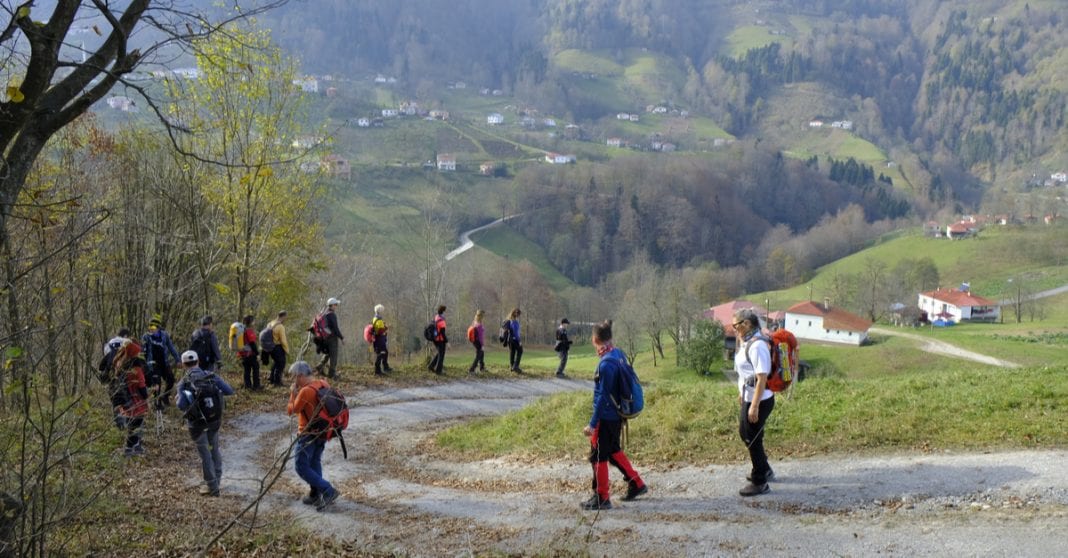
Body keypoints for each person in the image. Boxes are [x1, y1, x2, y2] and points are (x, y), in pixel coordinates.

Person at [581, 320, 647, 510]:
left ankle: (601, 497)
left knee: (598, 456)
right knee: (612, 451)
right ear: (610, 338)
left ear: (594, 340)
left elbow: (602, 397)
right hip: (618, 414)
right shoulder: (618, 354)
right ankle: (636, 483)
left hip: (606, 417)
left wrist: (592, 424)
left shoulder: (604, 365)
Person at [176, 350, 235, 497]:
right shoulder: (211, 376)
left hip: (197, 425)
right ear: (198, 362)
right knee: (214, 449)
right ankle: (217, 480)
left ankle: (213, 487)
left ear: (183, 365)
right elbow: (229, 391)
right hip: (214, 420)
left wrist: (178, 397)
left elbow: (181, 405)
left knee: (205, 454)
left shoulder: (184, 382)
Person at [286, 361, 340, 511]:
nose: (293, 381)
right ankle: (316, 493)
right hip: (322, 432)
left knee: (301, 466)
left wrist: (292, 394)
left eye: (294, 377)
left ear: (301, 376)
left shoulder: (305, 391)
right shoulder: (323, 383)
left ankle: (328, 490)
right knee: (315, 462)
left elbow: (292, 410)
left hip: (308, 434)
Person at [733, 308, 775, 497]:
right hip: (749, 396)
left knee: (752, 438)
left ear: (747, 324)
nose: (734, 330)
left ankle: (760, 481)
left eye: (736, 326)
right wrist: (741, 391)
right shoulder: (748, 341)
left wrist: (755, 406)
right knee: (747, 434)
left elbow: (761, 378)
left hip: (760, 399)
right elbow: (746, 372)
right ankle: (764, 469)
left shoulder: (757, 345)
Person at [111, 339, 149, 457]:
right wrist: (146, 397)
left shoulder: (120, 363)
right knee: (136, 425)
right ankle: (129, 449)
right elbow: (141, 385)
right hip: (135, 399)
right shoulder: (136, 368)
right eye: (137, 352)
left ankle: (134, 447)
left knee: (131, 424)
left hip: (125, 399)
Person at [141, 315, 180, 409]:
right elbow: (142, 351)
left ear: (158, 328)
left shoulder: (164, 335)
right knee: (157, 383)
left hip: (164, 362)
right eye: (149, 327)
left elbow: (171, 347)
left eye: (153, 327)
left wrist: (178, 359)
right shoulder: (146, 337)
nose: (151, 329)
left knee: (171, 379)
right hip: (153, 364)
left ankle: (165, 397)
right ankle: (157, 403)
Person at [315, 298, 344, 378]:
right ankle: (332, 373)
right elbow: (335, 328)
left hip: (325, 337)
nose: (336, 306)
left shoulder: (325, 313)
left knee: (328, 353)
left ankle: (320, 366)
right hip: (332, 338)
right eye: (336, 305)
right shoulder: (332, 315)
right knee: (334, 355)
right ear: (332, 305)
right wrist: (342, 338)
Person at [237, 314, 261, 390]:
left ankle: (248, 386)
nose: (254, 322)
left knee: (247, 370)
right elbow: (252, 343)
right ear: (250, 322)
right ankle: (256, 386)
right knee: (255, 369)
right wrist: (257, 354)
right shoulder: (249, 331)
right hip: (250, 354)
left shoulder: (241, 330)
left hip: (243, 354)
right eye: (253, 321)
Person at [266, 311, 289, 386]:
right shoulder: (280, 326)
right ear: (283, 316)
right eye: (286, 317)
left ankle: (271, 379)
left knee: (276, 362)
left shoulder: (270, 323)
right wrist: (286, 350)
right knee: (281, 364)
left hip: (270, 347)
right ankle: (277, 382)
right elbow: (283, 340)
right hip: (277, 347)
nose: (286, 318)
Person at [371, 304, 392, 376]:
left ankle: (384, 367)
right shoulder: (379, 320)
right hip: (379, 339)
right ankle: (378, 370)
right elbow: (380, 331)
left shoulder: (375, 318)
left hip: (377, 339)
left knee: (384, 352)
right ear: (380, 311)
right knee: (380, 353)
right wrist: (386, 328)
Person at [428, 305, 447, 375]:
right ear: (443, 311)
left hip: (435, 339)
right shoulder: (442, 321)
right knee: (441, 355)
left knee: (439, 353)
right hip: (440, 339)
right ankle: (438, 371)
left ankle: (431, 366)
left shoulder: (436, 317)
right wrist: (447, 342)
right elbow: (443, 333)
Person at [467, 309, 486, 375]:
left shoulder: (474, 322)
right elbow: (480, 337)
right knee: (478, 355)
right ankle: (472, 369)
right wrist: (482, 345)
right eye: (483, 316)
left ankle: (482, 367)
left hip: (474, 341)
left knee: (481, 353)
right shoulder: (479, 325)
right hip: (478, 342)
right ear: (481, 316)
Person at [505, 308, 523, 373]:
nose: (519, 316)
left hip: (510, 340)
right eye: (519, 314)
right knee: (520, 351)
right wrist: (519, 341)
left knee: (512, 353)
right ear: (516, 314)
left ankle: (512, 367)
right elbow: (516, 333)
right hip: (515, 340)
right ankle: (515, 366)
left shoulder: (509, 320)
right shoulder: (514, 322)